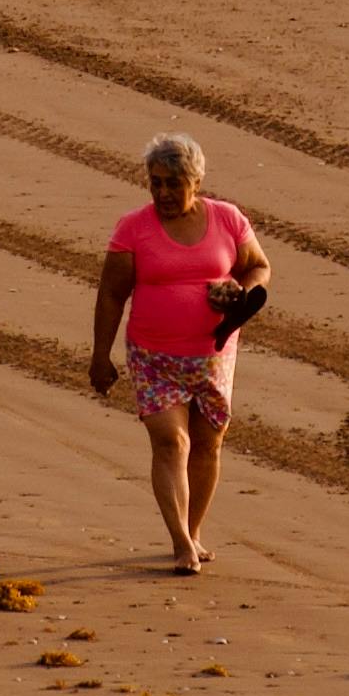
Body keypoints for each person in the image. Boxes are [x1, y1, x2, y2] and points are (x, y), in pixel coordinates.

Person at [91, 132, 268, 575]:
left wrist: (241, 290)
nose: (164, 193)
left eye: (173, 183)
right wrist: (100, 355)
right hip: (154, 357)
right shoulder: (133, 228)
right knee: (172, 441)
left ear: (196, 181)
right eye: (156, 183)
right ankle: (181, 543)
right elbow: (112, 294)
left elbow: (258, 266)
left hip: (214, 353)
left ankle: (195, 530)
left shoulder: (228, 220)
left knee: (208, 444)